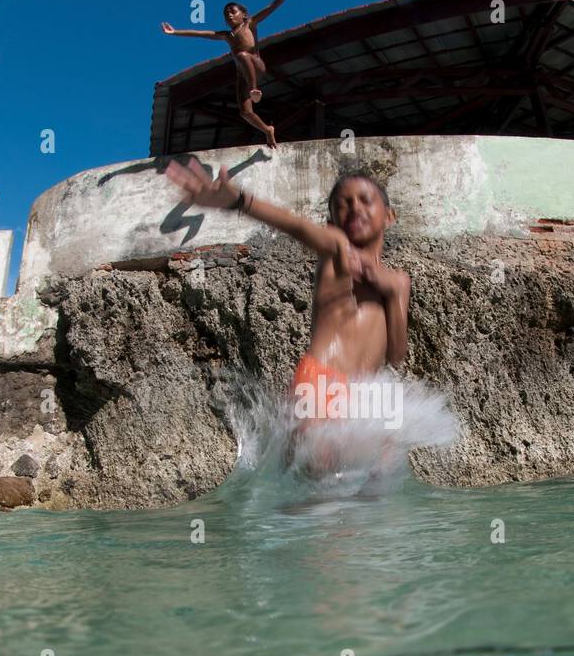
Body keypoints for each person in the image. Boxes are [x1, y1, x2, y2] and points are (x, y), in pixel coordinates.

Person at [165, 157, 409, 476]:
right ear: (332, 221)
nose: (355, 208)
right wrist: (241, 201)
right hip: (322, 381)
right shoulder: (337, 249)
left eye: (366, 200)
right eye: (343, 204)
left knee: (381, 475)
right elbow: (297, 226)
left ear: (389, 216)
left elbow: (396, 355)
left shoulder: (400, 281)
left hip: (368, 393)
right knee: (316, 469)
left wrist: (390, 294)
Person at [160, 0, 299, 151]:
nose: (230, 15)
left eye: (233, 12)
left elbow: (272, 7)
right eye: (226, 15)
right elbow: (200, 33)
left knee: (241, 55)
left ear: (244, 15)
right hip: (242, 75)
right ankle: (267, 129)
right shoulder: (226, 35)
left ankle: (255, 88)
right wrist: (175, 32)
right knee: (245, 112)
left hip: (256, 65)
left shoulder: (250, 23)